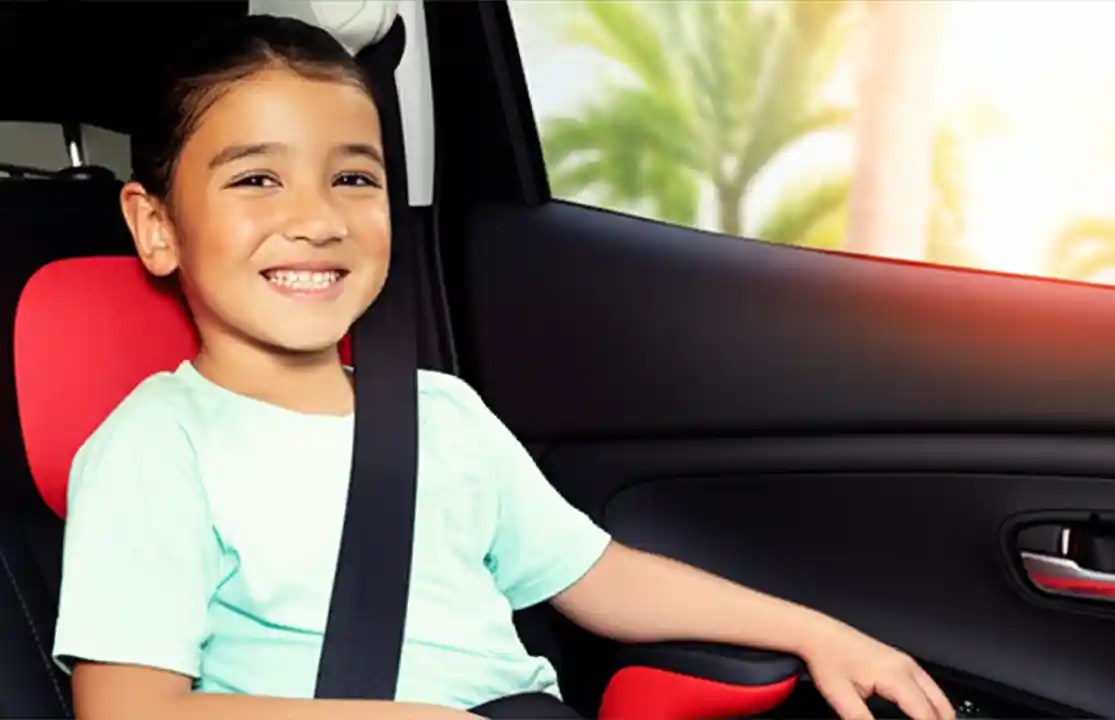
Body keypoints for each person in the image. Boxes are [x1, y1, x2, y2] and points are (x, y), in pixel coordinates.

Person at [51, 14, 955, 720]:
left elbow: (598, 577)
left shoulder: (439, 413)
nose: (317, 219)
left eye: (353, 179)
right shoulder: (158, 445)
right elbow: (131, 707)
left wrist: (819, 632)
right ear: (157, 227)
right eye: (257, 179)